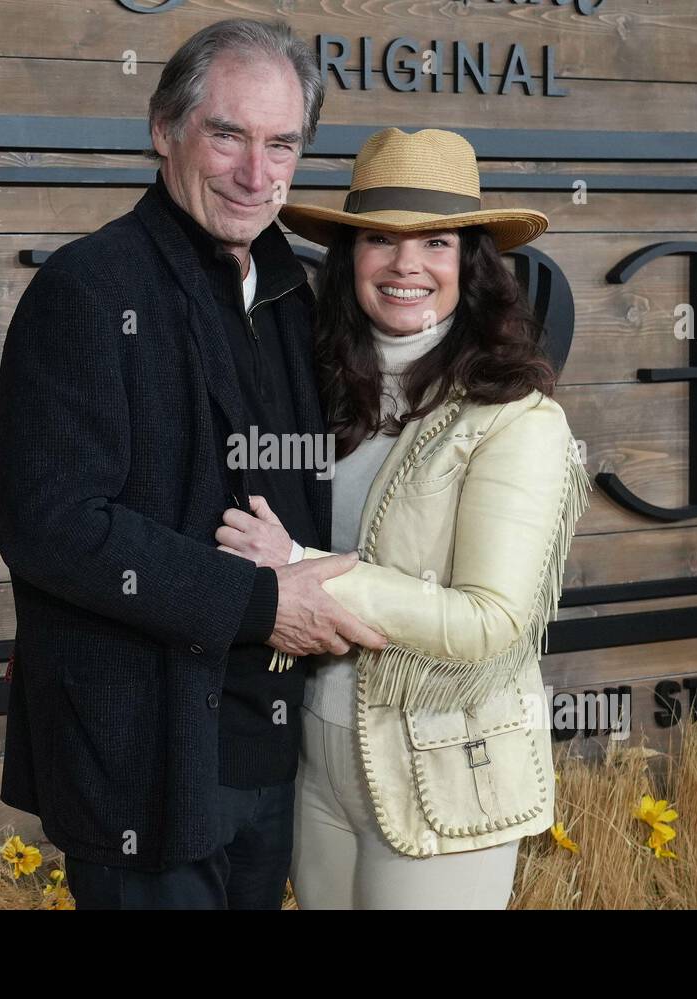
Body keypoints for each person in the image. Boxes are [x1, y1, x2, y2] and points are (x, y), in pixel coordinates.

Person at [0, 17, 383, 910]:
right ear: (165, 129)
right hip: (144, 754)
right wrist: (262, 599)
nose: (257, 172)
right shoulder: (89, 289)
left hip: (267, 744)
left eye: (282, 143)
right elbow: (51, 525)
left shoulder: (299, 293)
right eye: (229, 134)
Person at [217, 127, 593, 908]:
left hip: (443, 770)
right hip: (315, 763)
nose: (406, 265)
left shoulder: (516, 417)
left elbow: (489, 618)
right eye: (381, 240)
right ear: (351, 257)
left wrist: (299, 568)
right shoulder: (317, 388)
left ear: (472, 263)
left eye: (436, 243)